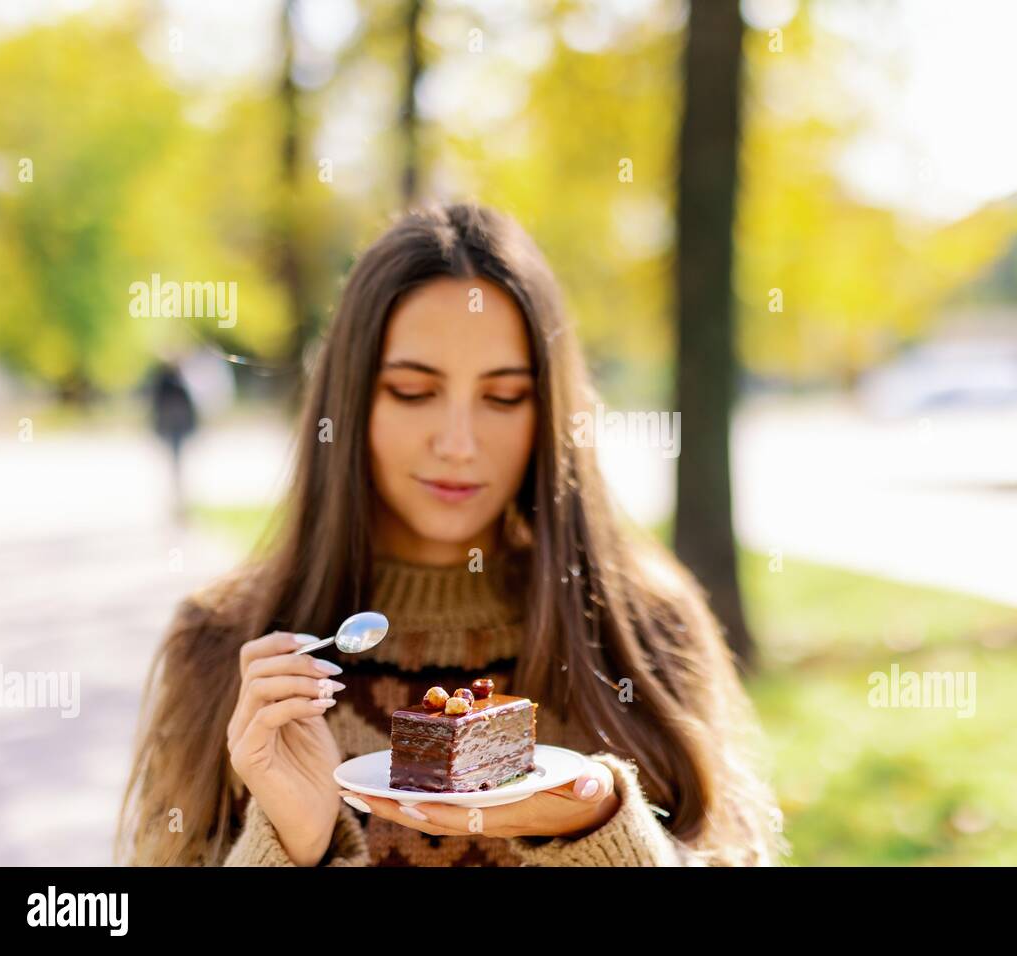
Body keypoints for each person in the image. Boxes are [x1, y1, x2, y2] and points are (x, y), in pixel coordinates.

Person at [115, 202, 787, 867]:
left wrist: (606, 831)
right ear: (350, 402)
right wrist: (291, 844)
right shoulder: (221, 649)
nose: (459, 444)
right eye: (413, 390)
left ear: (550, 411)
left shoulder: (645, 631)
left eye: (504, 397)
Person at [146, 357, 197, 523]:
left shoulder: (178, 382)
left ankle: (179, 503)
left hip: (176, 429)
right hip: (172, 429)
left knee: (176, 466)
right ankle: (176, 503)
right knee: (175, 467)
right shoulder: (169, 383)